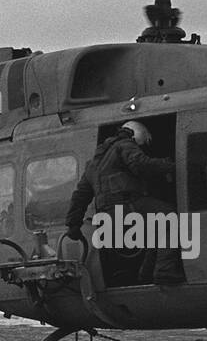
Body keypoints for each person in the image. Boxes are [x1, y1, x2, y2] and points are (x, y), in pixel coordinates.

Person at [65, 120, 185, 284]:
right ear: (136, 137)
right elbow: (140, 164)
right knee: (169, 216)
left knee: (156, 228)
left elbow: (80, 196)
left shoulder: (93, 163)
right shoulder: (125, 145)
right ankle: (165, 270)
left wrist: (73, 224)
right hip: (127, 208)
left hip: (107, 219)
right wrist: (170, 165)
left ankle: (146, 274)